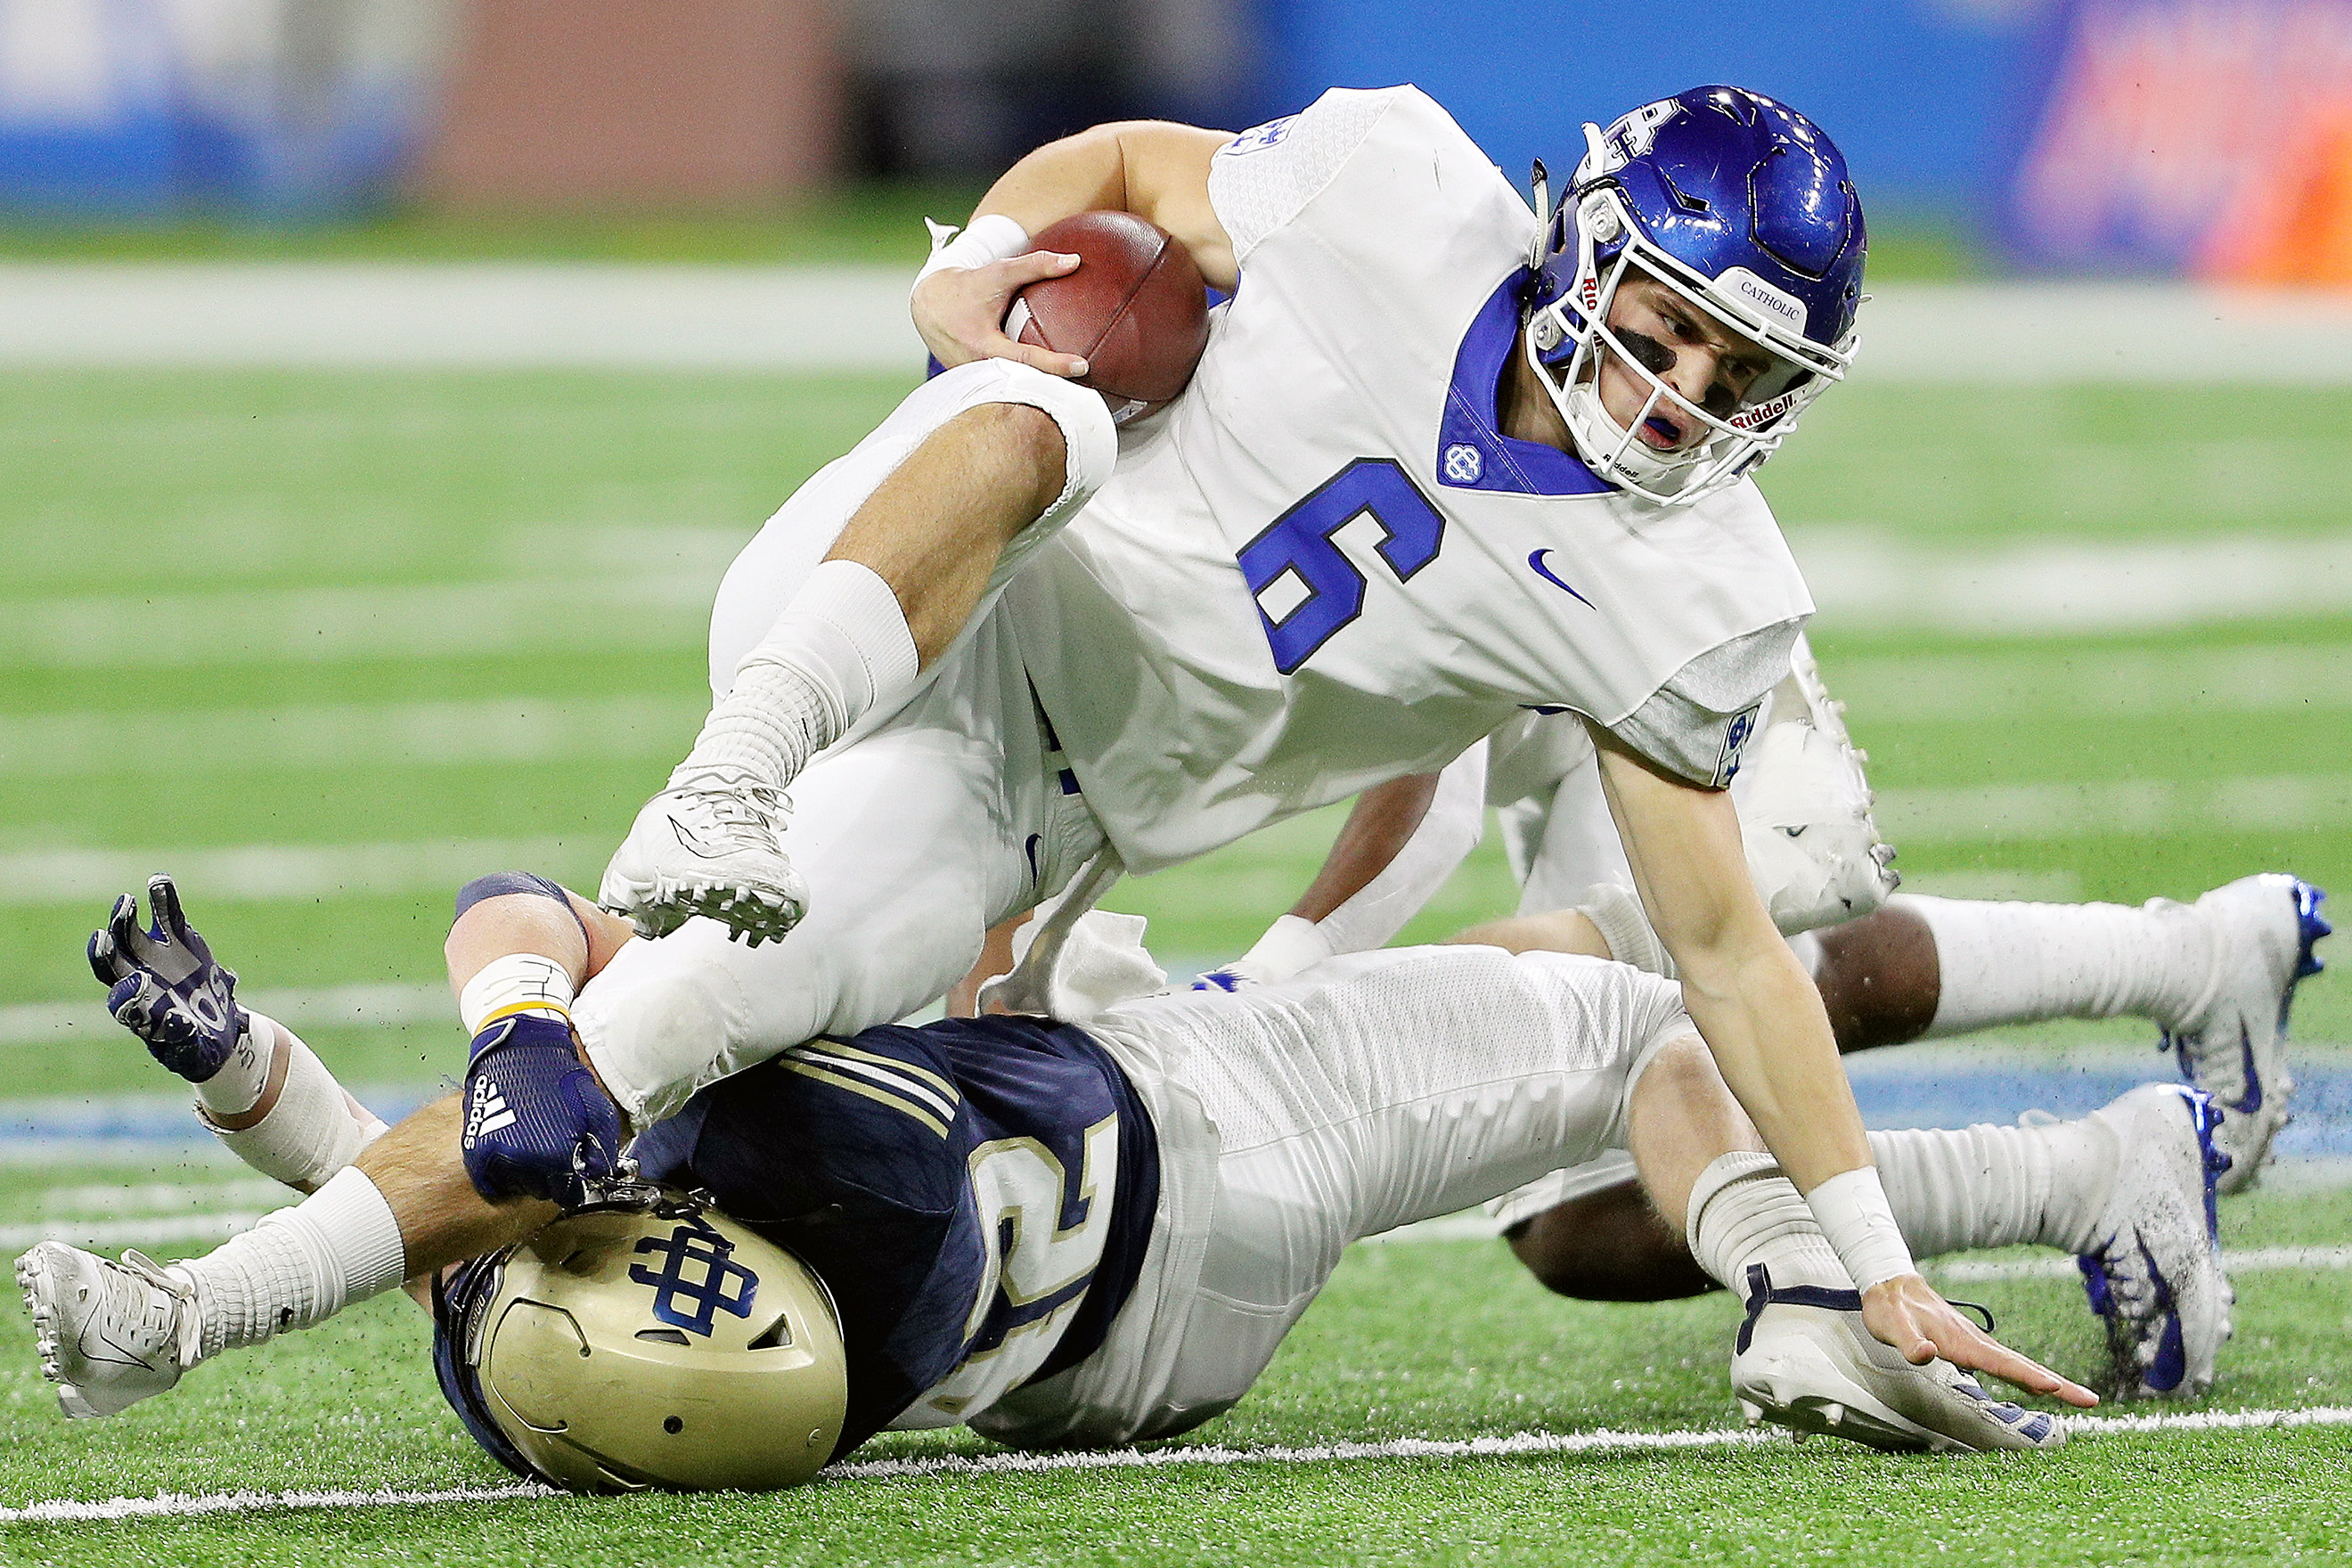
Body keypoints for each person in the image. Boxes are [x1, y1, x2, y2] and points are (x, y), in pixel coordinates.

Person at [453, 85, 1999, 1374]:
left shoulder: (1691, 585)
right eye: (1670, 332)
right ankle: (698, 814)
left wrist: (1873, 1262)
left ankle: (352, 1182)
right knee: (1037, 435)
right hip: (991, 609)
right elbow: (1126, 167)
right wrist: (971, 261)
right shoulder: (1393, 188)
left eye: (1741, 376)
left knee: (702, 1031)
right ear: (1593, 249)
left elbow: (1712, 944)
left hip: (1081, 811)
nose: (1681, 398)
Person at [33, 874, 2158, 1482]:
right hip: (1220, 1101)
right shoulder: (784, 1159)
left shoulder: (614, 1389)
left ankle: (2060, 1171)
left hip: (1141, 1365)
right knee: (1647, 1009)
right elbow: (524, 924)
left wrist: (255, 1083)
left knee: (1562, 1035)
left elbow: (453, 1238)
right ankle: (1905, 1235)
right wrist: (512, 1012)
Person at [1139, 635, 2327, 1384]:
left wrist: (1269, 982)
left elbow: (1426, 795)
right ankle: (2151, 1051)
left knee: (1646, 987)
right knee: (1578, 1217)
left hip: (1655, 634)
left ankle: (2146, 1050)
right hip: (1563, 698)